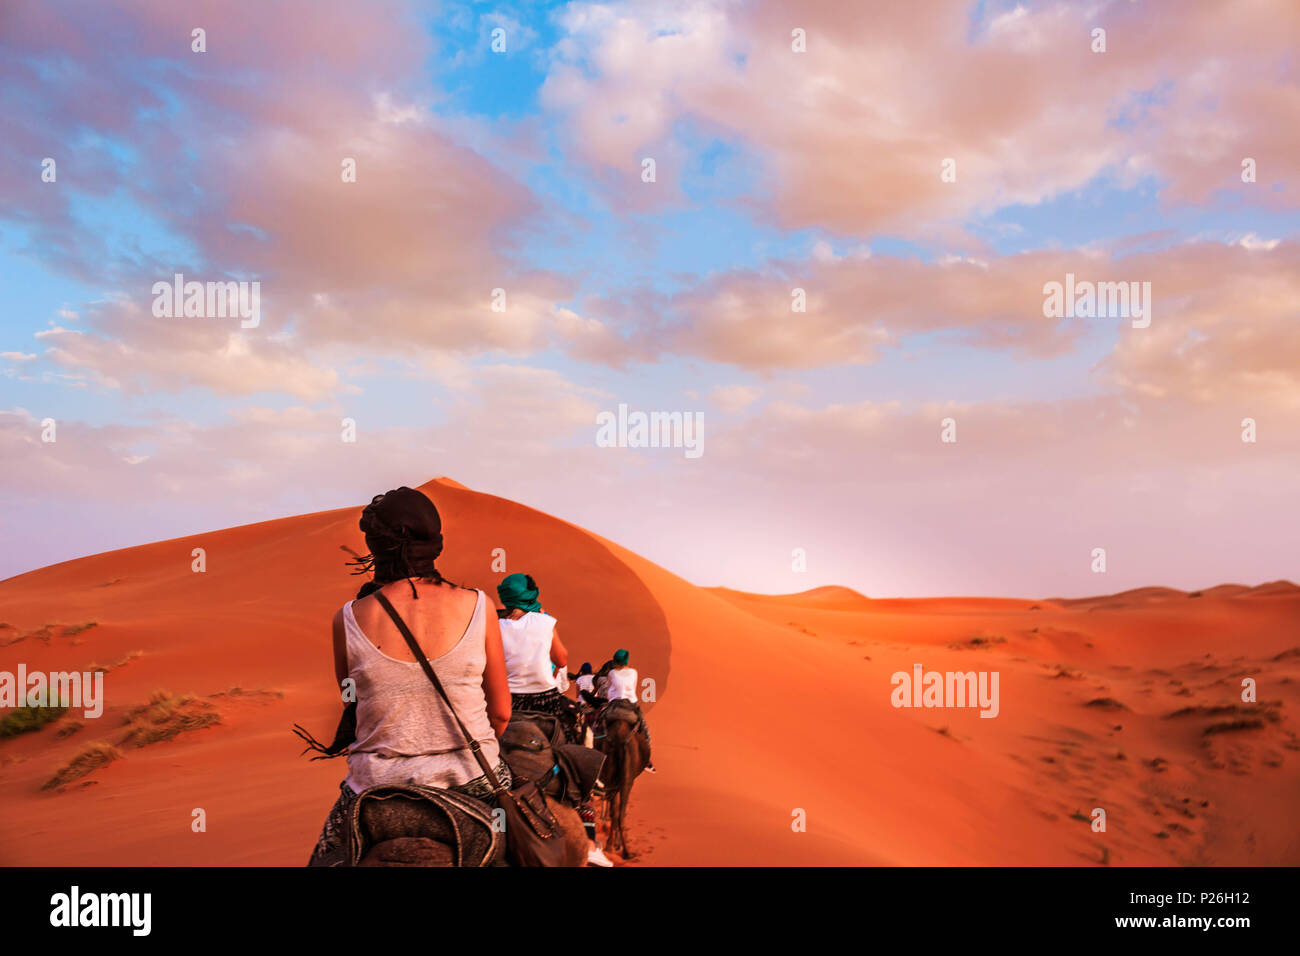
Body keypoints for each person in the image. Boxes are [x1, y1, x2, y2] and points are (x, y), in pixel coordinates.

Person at [303, 487, 513, 867]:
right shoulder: (480, 606)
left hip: (376, 794)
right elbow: (501, 713)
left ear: (375, 547)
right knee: (536, 845)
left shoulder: (347, 619)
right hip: (473, 784)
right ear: (435, 544)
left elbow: (354, 704)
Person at [495, 572, 577, 741]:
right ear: (531, 595)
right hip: (545, 700)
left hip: (507, 701)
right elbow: (561, 660)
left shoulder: (495, 626)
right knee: (573, 732)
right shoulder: (544, 621)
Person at [602, 648, 654, 772]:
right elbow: (633, 687)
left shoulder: (612, 673)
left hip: (614, 705)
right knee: (644, 728)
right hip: (631, 705)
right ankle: (647, 760)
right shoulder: (633, 672)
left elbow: (609, 690)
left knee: (598, 723)